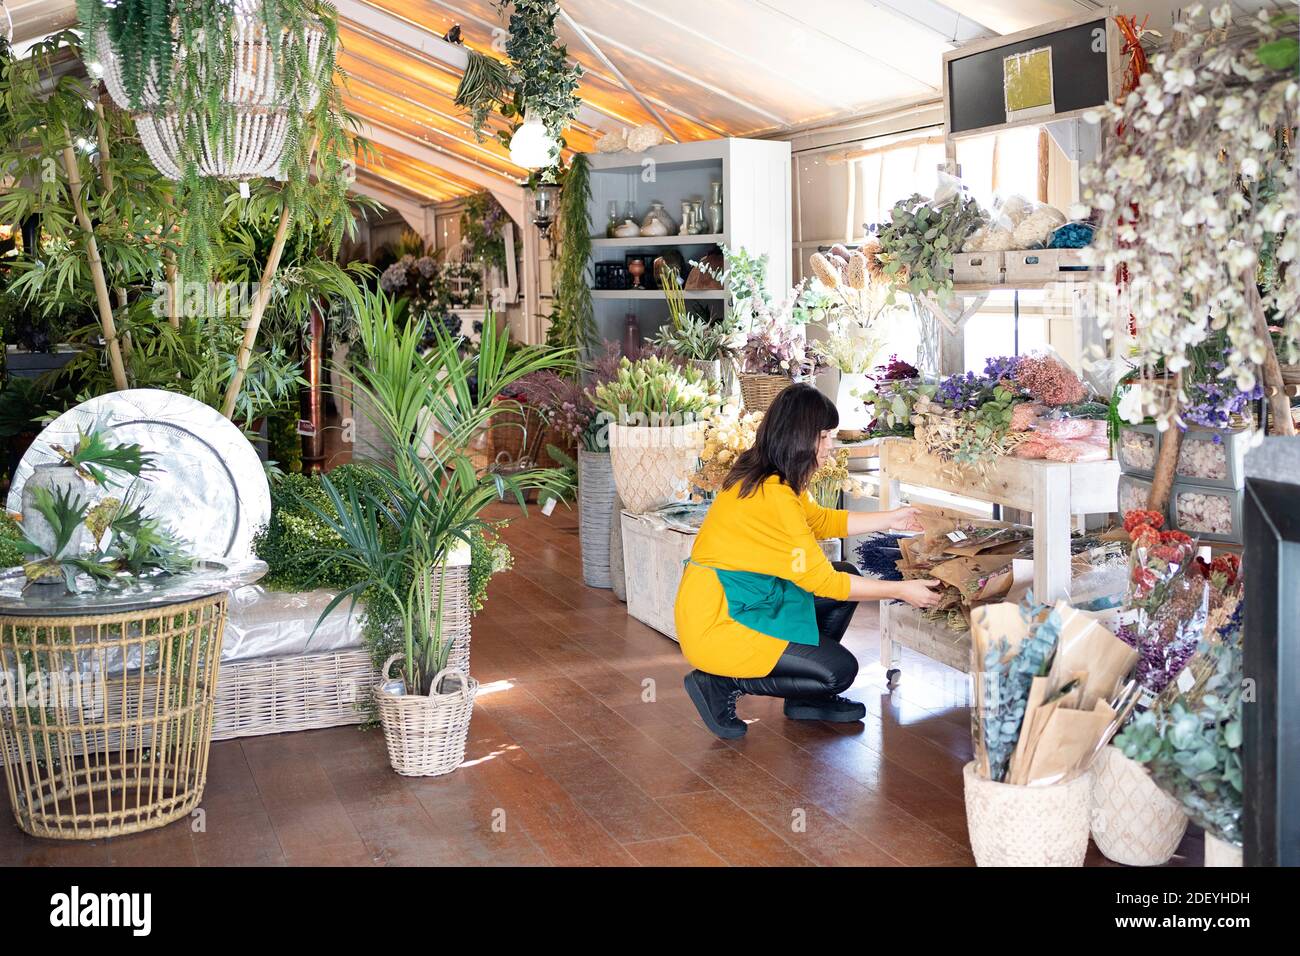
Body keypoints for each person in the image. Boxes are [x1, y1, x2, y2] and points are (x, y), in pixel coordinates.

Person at [675, 384, 941, 739]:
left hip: (746, 597)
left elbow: (818, 521)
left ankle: (804, 698)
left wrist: (890, 518)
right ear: (800, 436)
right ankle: (721, 682)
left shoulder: (772, 477)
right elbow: (823, 583)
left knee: (844, 571)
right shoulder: (774, 494)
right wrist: (902, 591)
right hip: (721, 621)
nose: (830, 445)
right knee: (840, 670)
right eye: (824, 436)